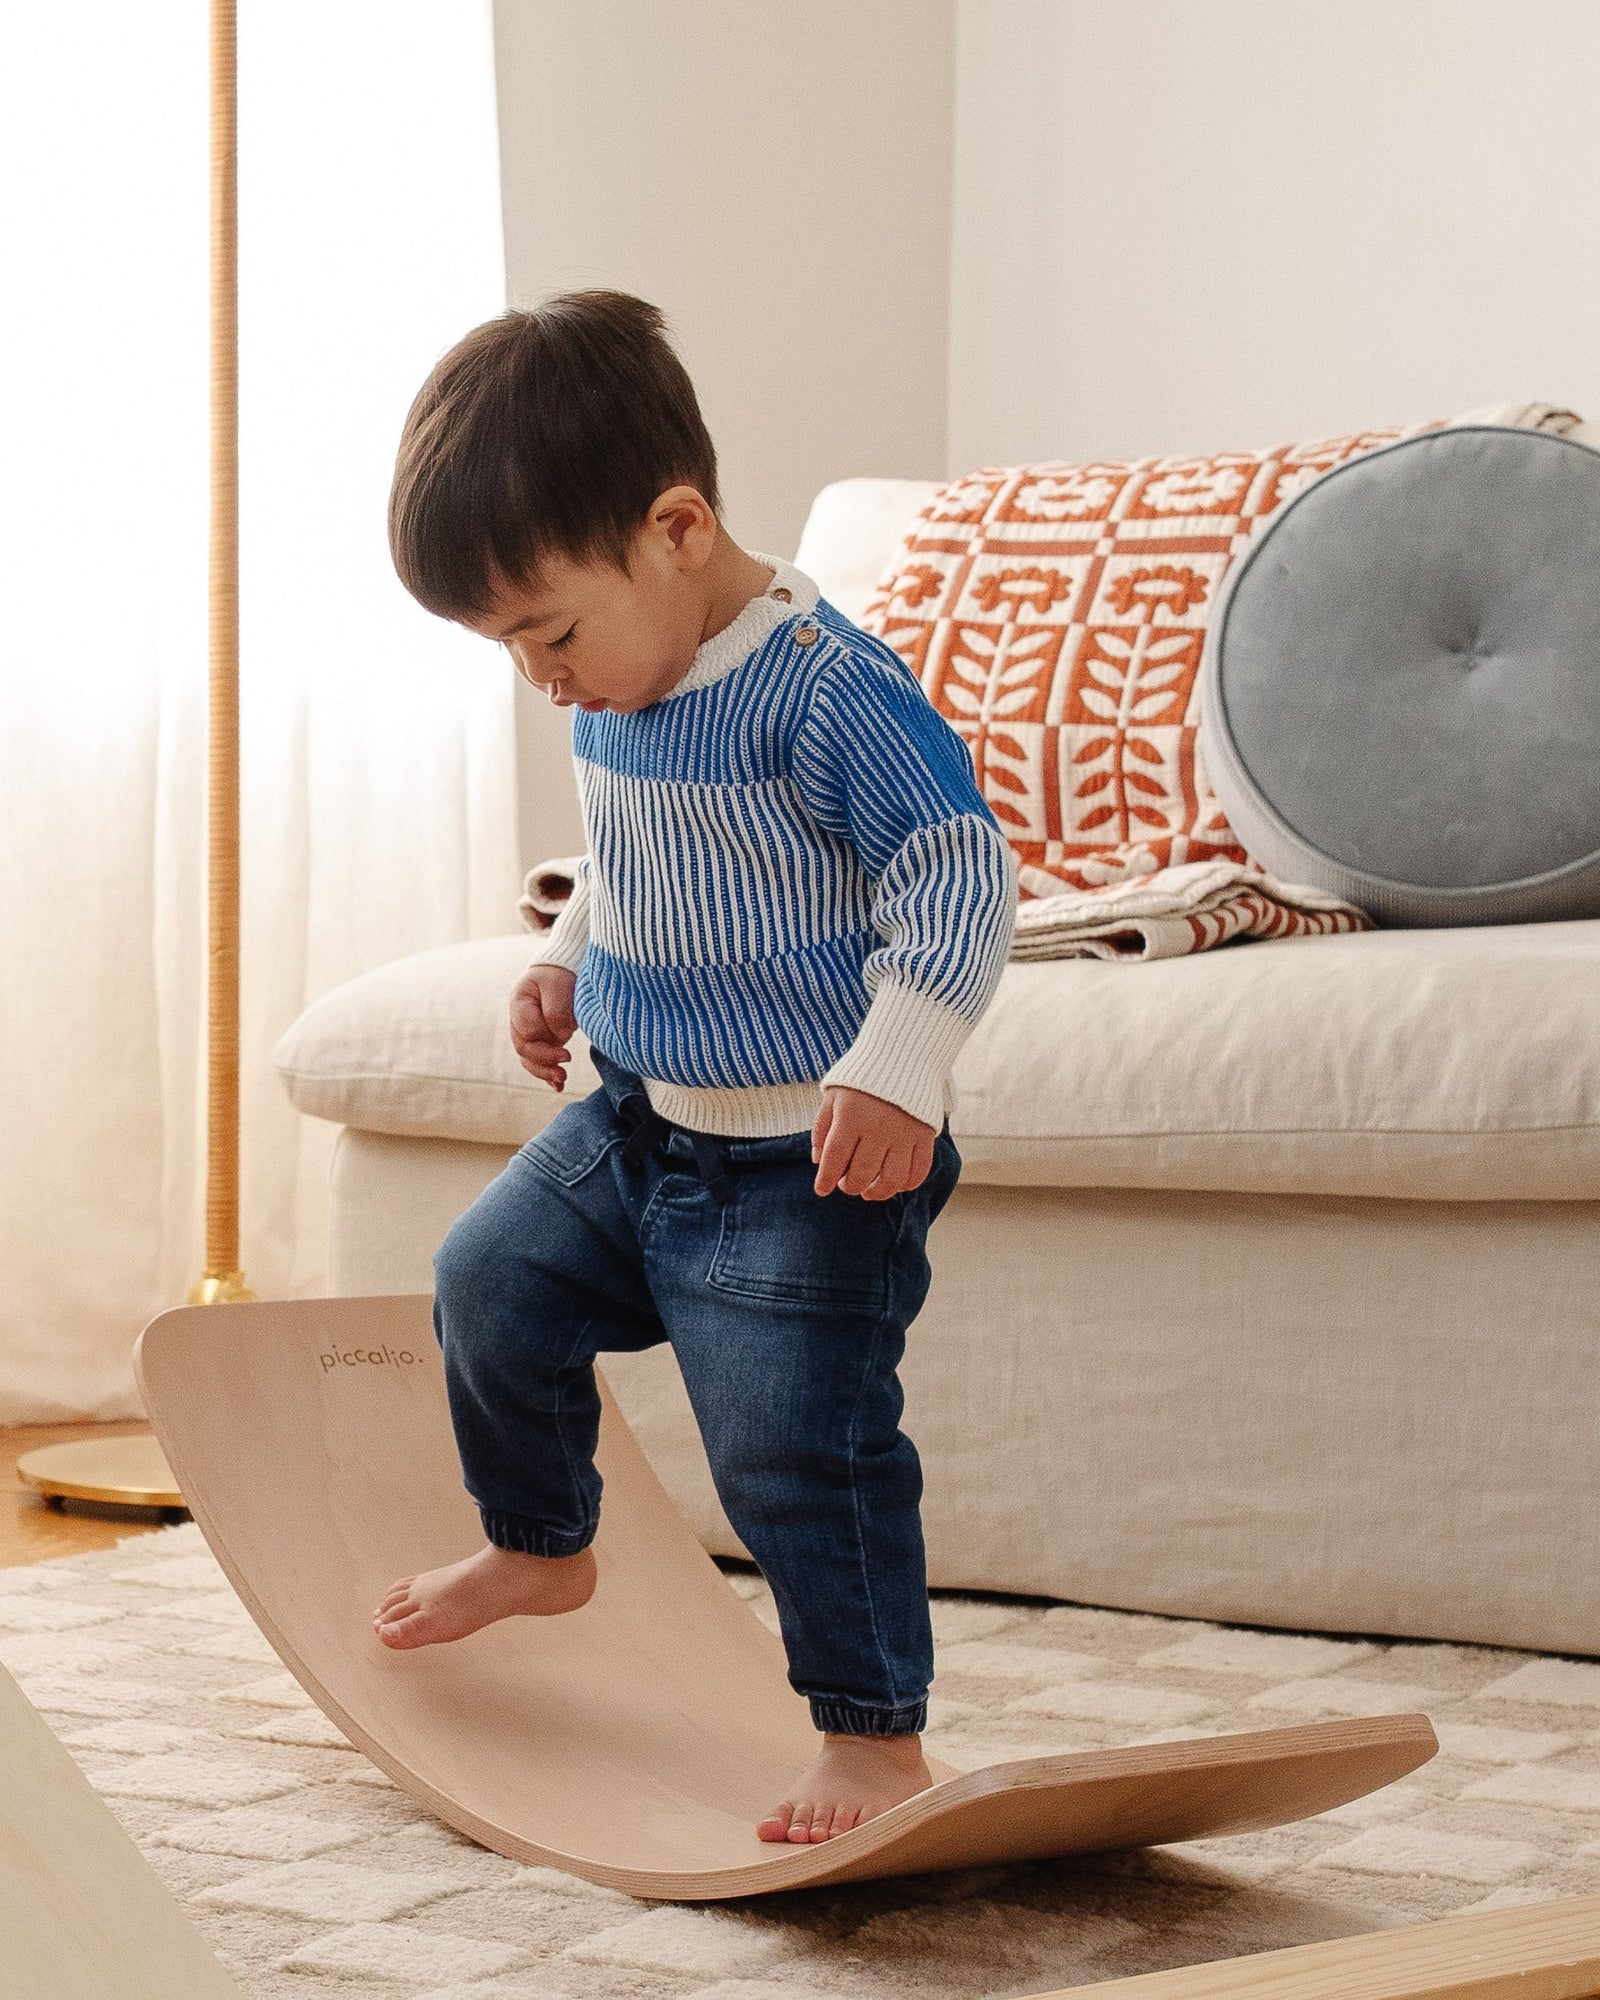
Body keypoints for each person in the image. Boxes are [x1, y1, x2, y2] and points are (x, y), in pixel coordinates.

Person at [373, 291, 1016, 1844]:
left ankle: (872, 1740)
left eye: (549, 633)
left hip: (811, 1161)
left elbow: (961, 877)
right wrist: (562, 958)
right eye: (509, 649)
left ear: (676, 530)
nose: (544, 679)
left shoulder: (824, 694)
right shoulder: (629, 684)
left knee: (796, 1444)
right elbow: (633, 855)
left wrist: (899, 1063)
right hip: (639, 1123)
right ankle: (543, 1542)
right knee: (486, 1284)